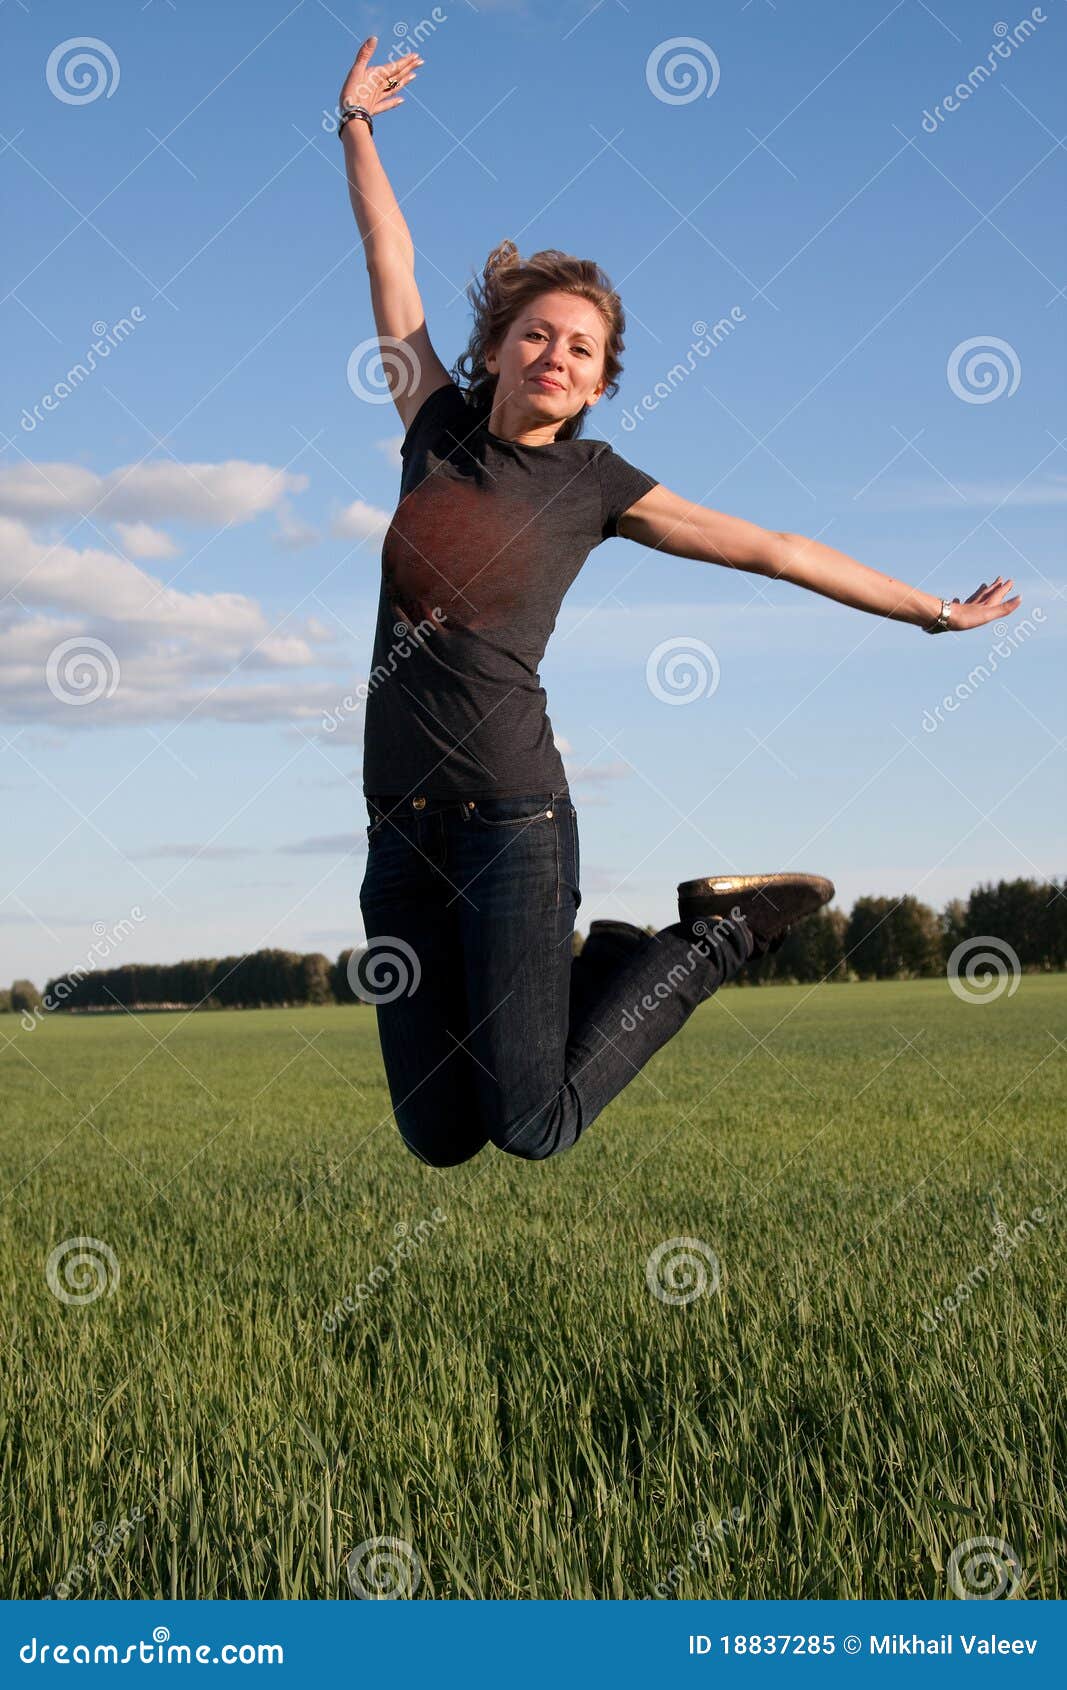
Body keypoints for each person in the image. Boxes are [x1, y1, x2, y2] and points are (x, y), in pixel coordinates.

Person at [337, 37, 1022, 1168]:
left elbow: (774, 548)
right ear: (496, 348)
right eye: (537, 334)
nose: (556, 354)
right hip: (397, 833)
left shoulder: (596, 483)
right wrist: (355, 125)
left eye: (583, 347)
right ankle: (603, 959)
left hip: (512, 821)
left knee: (535, 1127)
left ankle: (718, 932)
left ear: (601, 380)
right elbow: (388, 255)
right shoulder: (433, 432)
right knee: (439, 1136)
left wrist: (929, 613)